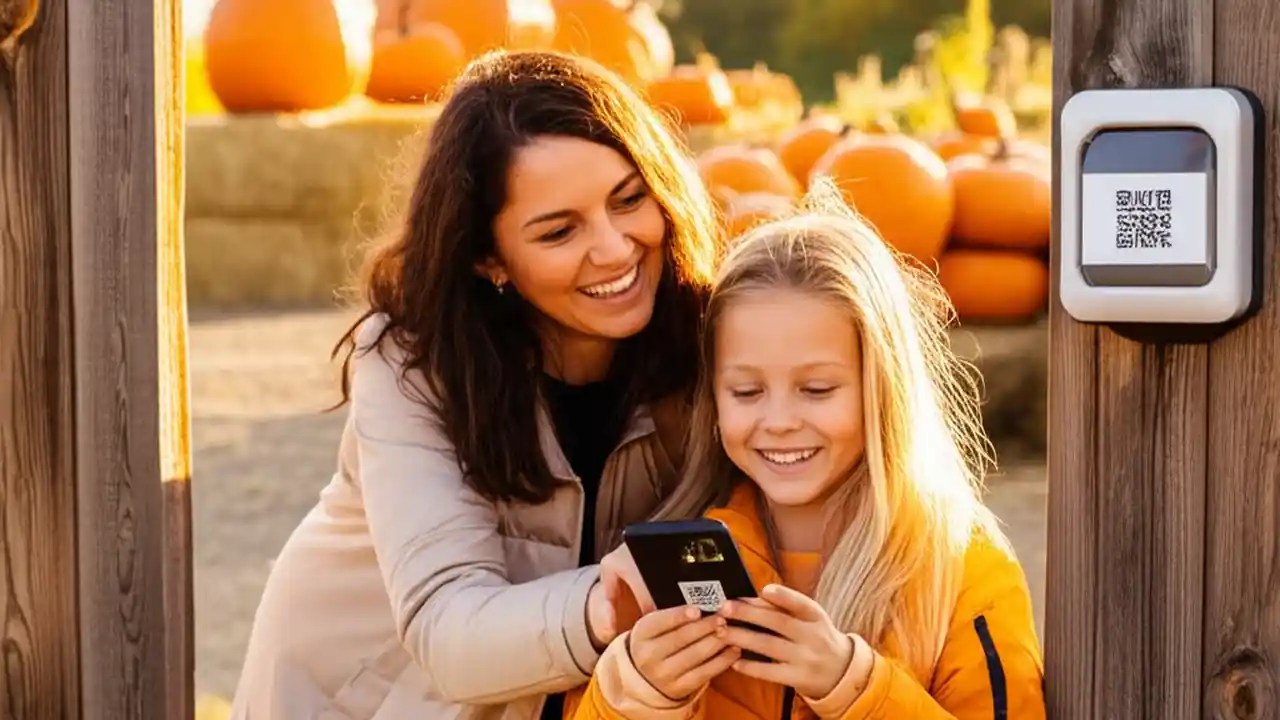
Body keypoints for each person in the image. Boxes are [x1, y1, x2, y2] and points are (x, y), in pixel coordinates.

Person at [229, 50, 722, 719]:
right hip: (368, 702)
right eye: (559, 231)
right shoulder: (412, 365)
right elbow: (447, 630)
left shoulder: (704, 342)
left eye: (629, 199)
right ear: (489, 258)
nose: (614, 248)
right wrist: (609, 599)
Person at [565, 181, 1046, 719]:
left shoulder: (961, 569)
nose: (779, 422)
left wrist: (855, 686)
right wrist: (635, 697)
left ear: (882, 389)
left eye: (817, 390)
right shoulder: (668, 563)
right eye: (746, 392)